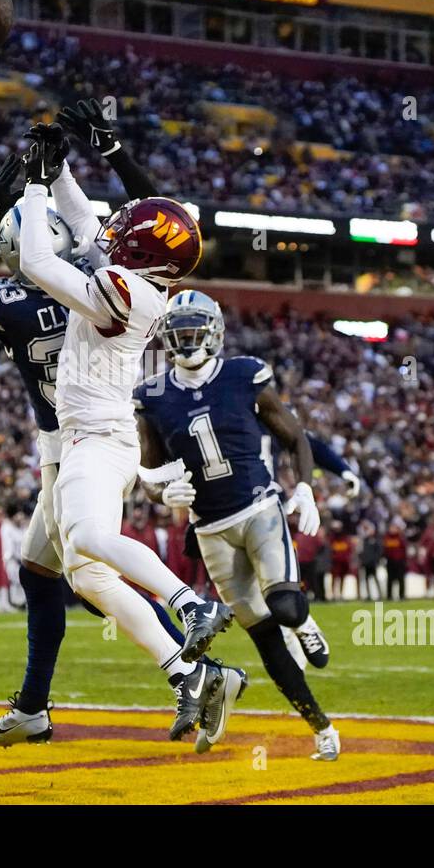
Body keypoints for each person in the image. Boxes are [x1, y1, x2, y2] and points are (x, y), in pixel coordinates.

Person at [17, 121, 241, 742]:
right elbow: (90, 227)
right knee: (87, 572)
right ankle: (192, 675)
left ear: (140, 255)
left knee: (89, 537)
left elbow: (38, 261)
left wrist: (34, 188)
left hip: (94, 439)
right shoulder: (137, 279)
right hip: (96, 436)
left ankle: (191, 604)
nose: (109, 231)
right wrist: (58, 166)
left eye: (126, 234)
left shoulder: (126, 289)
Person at [136, 289, 340, 760]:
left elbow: (294, 436)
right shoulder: (152, 396)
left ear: (213, 333)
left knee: (286, 608)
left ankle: (305, 621)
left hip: (259, 509)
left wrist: (305, 488)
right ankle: (321, 728)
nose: (186, 340)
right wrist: (163, 493)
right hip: (209, 529)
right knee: (266, 639)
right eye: (179, 332)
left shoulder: (244, 375)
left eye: (193, 330)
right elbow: (148, 474)